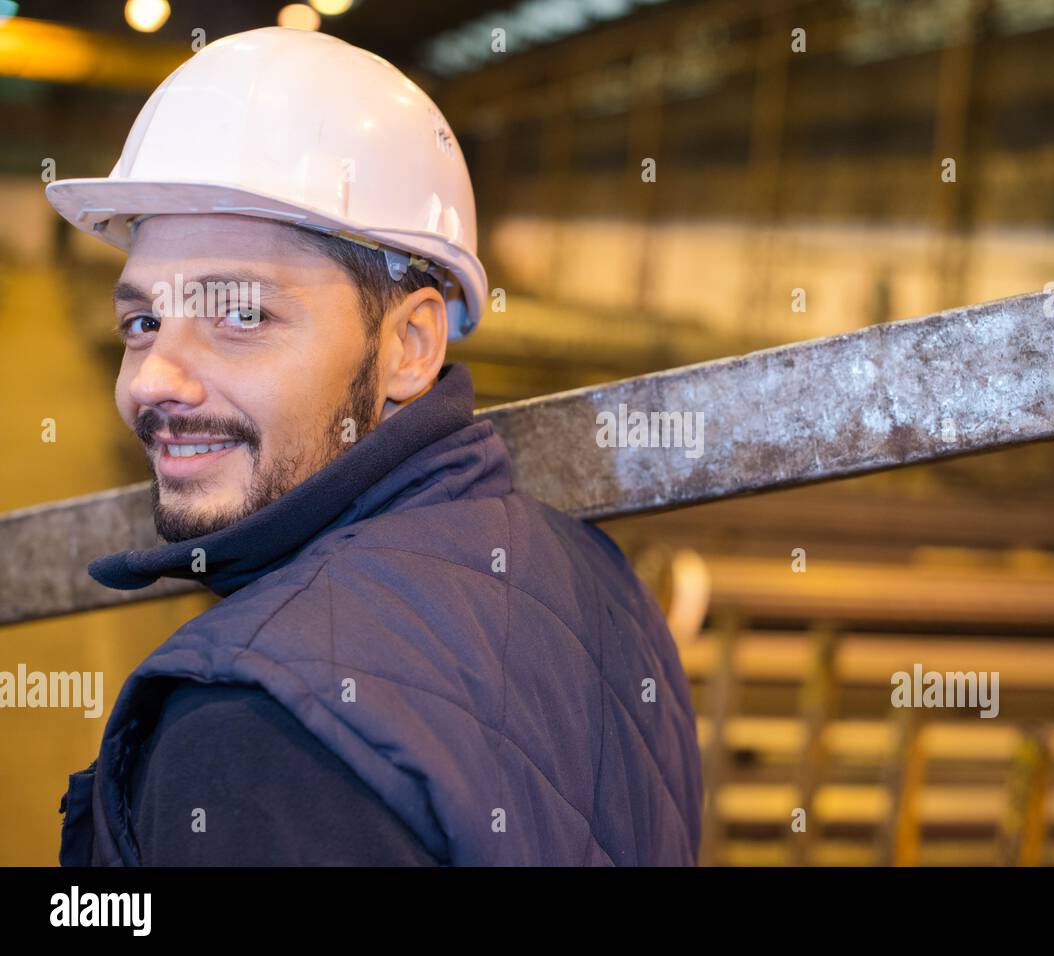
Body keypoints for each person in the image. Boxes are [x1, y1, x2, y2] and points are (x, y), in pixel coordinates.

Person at [48, 27, 702, 866]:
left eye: (242, 314)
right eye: (143, 322)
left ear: (410, 346)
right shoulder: (604, 586)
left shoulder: (247, 732)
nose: (151, 380)